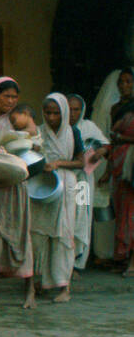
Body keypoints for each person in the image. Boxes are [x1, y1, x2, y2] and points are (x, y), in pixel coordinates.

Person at [0, 77, 38, 309]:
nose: (11, 101)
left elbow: (33, 137)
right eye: (6, 96)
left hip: (16, 184)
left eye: (14, 97)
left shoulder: (18, 118)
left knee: (22, 234)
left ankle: (29, 290)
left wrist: (27, 125)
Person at [31, 94, 84, 302]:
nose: (52, 117)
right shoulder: (38, 132)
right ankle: (41, 281)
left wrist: (59, 163)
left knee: (63, 234)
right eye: (48, 113)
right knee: (41, 235)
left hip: (65, 186)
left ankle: (63, 286)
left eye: (56, 113)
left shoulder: (73, 133)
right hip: (42, 185)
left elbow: (80, 162)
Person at [66, 93, 110, 270]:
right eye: (69, 109)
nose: (72, 113)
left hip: (82, 181)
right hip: (62, 180)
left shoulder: (88, 126)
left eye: (76, 109)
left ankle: (77, 262)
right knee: (64, 218)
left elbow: (105, 145)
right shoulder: (56, 127)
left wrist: (100, 152)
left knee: (81, 217)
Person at [103, 70, 134, 274]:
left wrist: (124, 140)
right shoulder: (116, 109)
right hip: (119, 164)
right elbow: (112, 141)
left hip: (133, 163)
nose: (124, 85)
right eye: (121, 82)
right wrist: (107, 170)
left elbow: (121, 137)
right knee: (122, 210)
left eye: (128, 82)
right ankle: (123, 256)